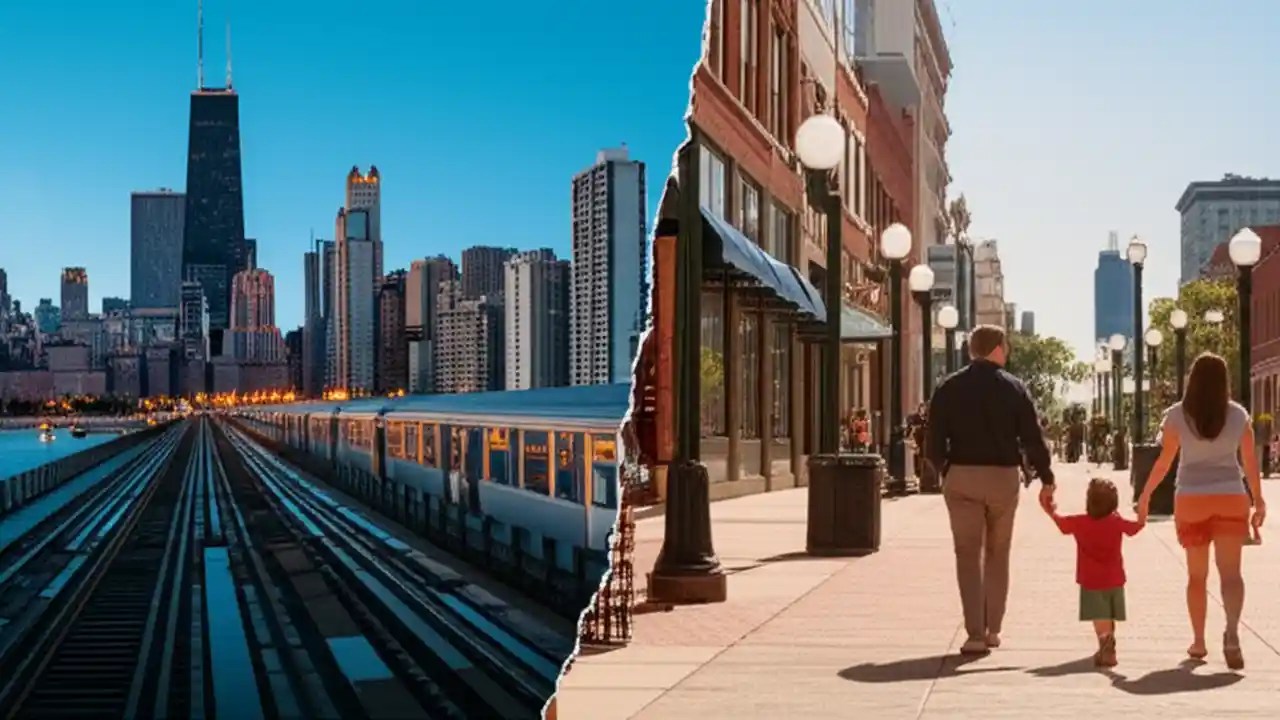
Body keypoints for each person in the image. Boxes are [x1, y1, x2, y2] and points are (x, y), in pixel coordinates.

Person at [927, 324, 1055, 655]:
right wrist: (1046, 478)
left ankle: (974, 634)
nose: (1008, 351)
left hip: (962, 476)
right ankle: (994, 629)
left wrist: (945, 469)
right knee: (999, 554)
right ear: (997, 347)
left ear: (972, 350)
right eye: (1006, 345)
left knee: (967, 555)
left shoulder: (948, 387)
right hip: (1003, 478)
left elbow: (932, 443)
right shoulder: (1015, 388)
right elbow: (1032, 438)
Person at [1137, 352, 1266, 669]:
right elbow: (1250, 463)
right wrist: (1258, 501)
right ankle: (1232, 634)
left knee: (1197, 576)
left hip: (1192, 499)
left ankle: (1198, 641)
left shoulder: (1177, 416)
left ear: (1191, 380)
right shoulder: (1238, 416)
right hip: (1231, 496)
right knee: (1231, 573)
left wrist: (1145, 495)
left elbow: (1165, 461)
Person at [1045, 478, 1144, 667]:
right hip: (1114, 577)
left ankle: (1106, 648)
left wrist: (1050, 509)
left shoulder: (1080, 522)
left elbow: (1061, 524)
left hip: (1090, 579)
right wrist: (1143, 512)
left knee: (1100, 617)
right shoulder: (1116, 522)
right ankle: (1108, 646)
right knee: (1109, 615)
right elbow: (1136, 528)